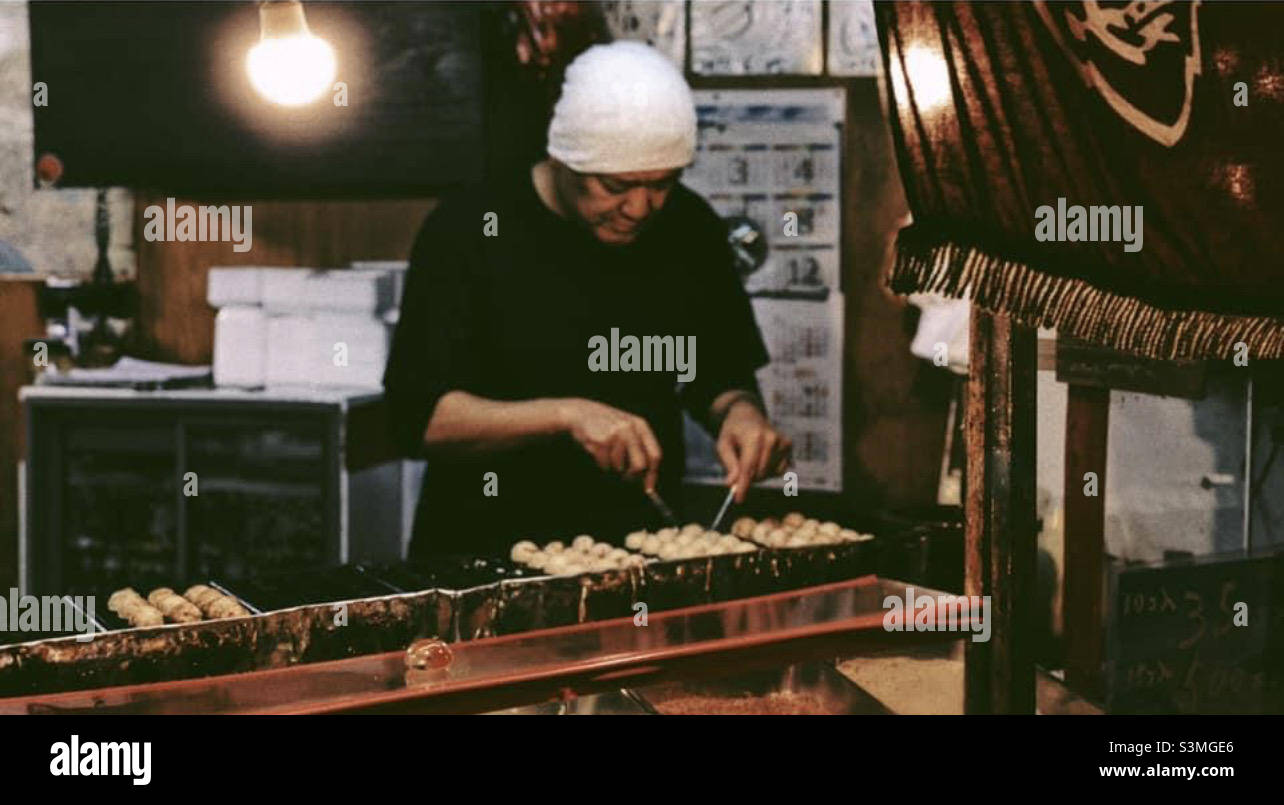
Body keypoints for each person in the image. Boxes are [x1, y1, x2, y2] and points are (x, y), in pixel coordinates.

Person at [384, 41, 790, 560]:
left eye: (663, 183)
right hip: (485, 548)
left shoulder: (689, 228)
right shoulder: (470, 229)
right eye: (616, 185)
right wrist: (566, 415)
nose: (640, 208)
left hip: (640, 550)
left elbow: (715, 372)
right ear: (563, 159)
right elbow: (419, 420)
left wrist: (741, 415)